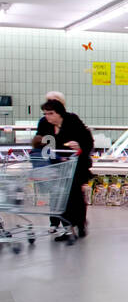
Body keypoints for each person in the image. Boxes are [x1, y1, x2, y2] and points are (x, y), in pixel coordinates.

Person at [32, 98, 93, 240]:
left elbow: (87, 139)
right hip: (56, 167)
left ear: (59, 113)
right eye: (45, 113)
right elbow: (40, 143)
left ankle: (80, 224)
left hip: (76, 166)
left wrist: (79, 146)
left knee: (75, 197)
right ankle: (67, 229)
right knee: (60, 197)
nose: (47, 116)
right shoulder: (44, 124)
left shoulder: (72, 120)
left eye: (50, 113)